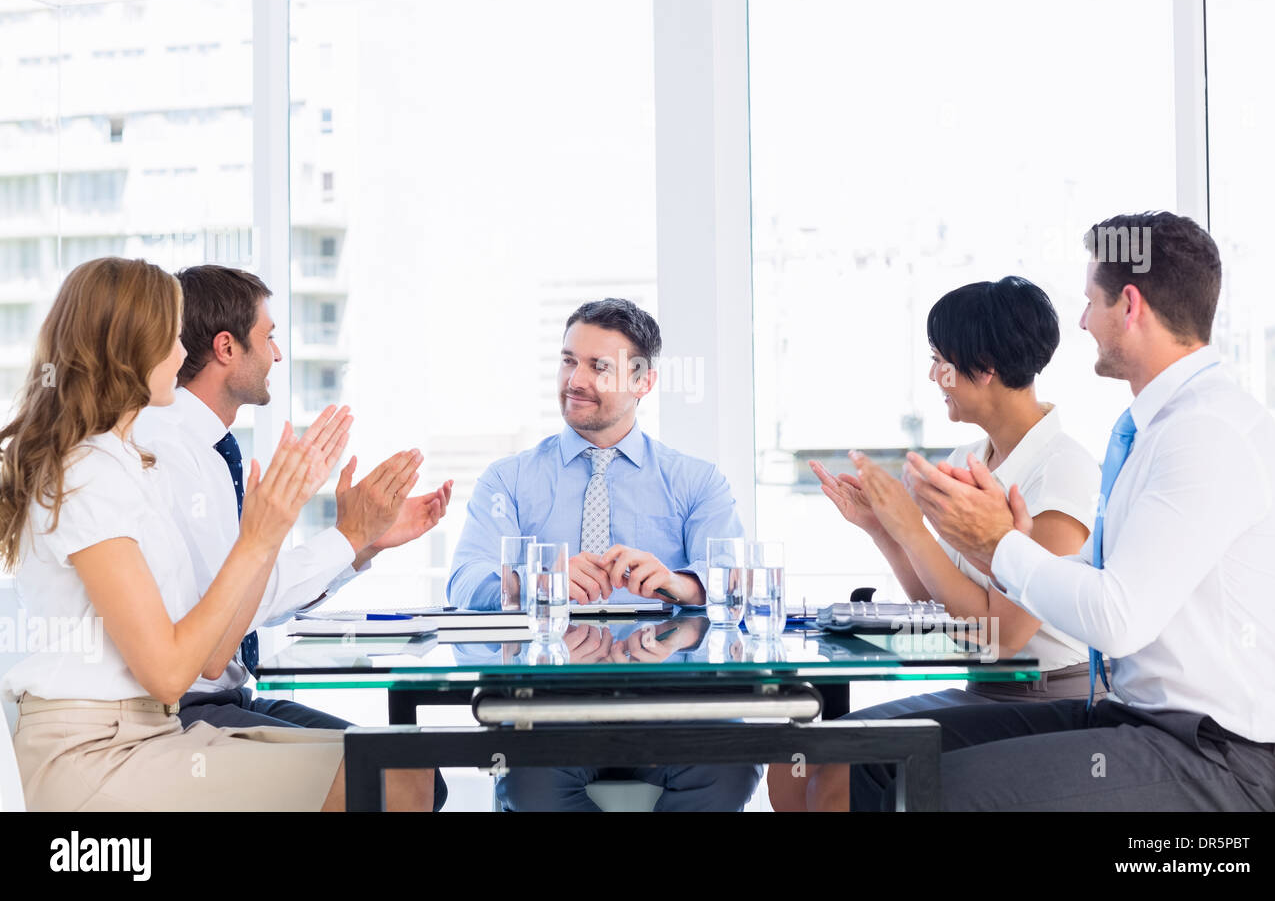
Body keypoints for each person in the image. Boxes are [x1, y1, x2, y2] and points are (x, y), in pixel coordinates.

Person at [857, 211, 1275, 810]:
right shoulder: (1156, 429)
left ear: (1131, 306)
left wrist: (1000, 547)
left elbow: (1119, 619)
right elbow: (1099, 582)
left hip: (1212, 759)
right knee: (878, 763)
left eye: (1092, 302)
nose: (1084, 321)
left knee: (932, 795)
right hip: (1129, 719)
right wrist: (1008, 543)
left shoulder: (1207, 431)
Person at [0, 256, 436, 810]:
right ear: (131, 347)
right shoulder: (88, 473)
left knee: (405, 769)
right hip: (96, 754)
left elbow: (212, 655)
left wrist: (271, 529)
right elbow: (168, 674)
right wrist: (255, 539)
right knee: (387, 781)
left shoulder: (131, 462)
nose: (184, 352)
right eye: (171, 335)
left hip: (148, 733)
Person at [769, 276, 1101, 812]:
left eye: (940, 359)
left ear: (985, 366)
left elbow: (1003, 636)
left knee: (837, 780)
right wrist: (882, 528)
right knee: (793, 760)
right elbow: (951, 609)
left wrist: (913, 527)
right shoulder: (971, 455)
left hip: (1048, 699)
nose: (933, 375)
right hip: (984, 691)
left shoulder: (1063, 473)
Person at [131, 264, 453, 809]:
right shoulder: (171, 451)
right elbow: (225, 616)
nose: (277, 355)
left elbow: (247, 597)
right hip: (188, 709)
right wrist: (348, 538)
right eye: (269, 336)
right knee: (399, 783)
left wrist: (361, 543)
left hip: (229, 693)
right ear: (227, 347)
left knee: (419, 772)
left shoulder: (210, 448)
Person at [447, 297, 762, 811]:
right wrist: (536, 581)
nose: (575, 379)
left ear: (642, 381)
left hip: (674, 700)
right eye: (569, 360)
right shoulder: (508, 480)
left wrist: (680, 584)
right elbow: (464, 584)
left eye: (598, 367)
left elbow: (734, 579)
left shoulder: (696, 480)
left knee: (729, 762)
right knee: (530, 783)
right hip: (544, 702)